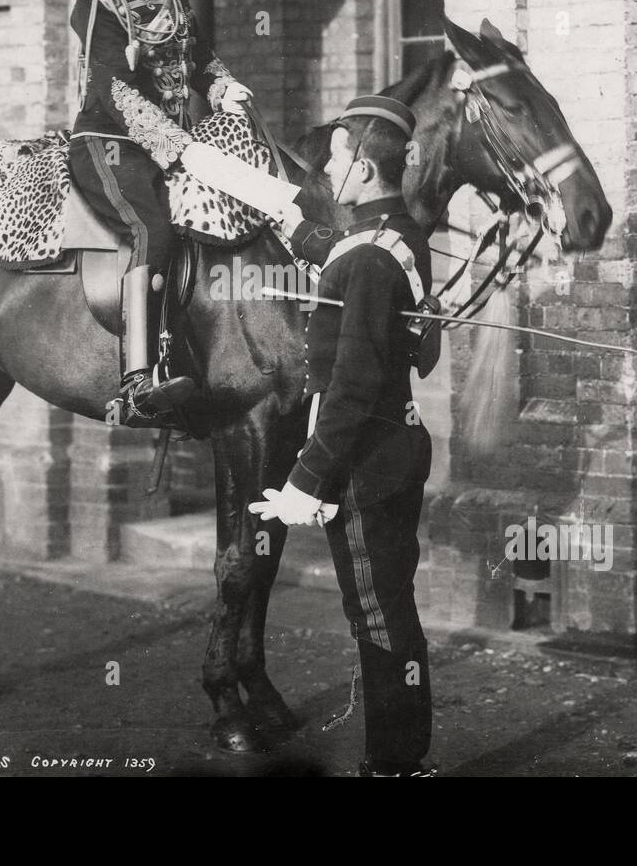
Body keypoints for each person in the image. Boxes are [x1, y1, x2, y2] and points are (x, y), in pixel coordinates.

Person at [252, 95, 436, 778]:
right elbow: (343, 249)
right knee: (391, 605)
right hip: (398, 450)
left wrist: (305, 479)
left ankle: (394, 765)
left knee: (379, 619)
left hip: (365, 463)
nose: (327, 167)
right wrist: (290, 223)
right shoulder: (399, 236)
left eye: (334, 156)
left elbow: (353, 385)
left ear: (361, 169)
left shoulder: (366, 262)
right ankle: (401, 759)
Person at [70, 0, 253, 427]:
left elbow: (196, 57)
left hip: (175, 139)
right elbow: (119, 93)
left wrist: (223, 86)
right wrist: (177, 146)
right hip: (111, 144)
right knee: (153, 226)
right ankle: (136, 379)